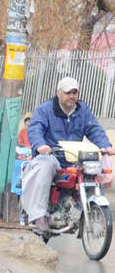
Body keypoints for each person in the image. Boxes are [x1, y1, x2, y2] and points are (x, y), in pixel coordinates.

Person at [21, 76, 115, 235]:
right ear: (58, 93)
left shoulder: (82, 110)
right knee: (44, 166)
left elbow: (94, 129)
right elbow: (35, 128)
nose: (72, 96)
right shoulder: (45, 109)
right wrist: (41, 145)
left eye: (74, 92)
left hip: (74, 158)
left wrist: (105, 145)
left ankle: (90, 211)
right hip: (52, 156)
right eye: (68, 93)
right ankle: (38, 215)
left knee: (95, 169)